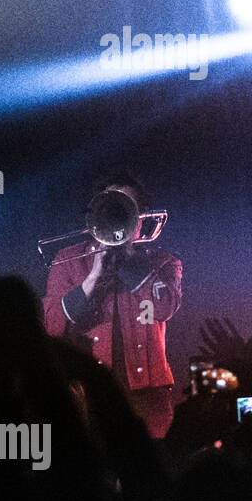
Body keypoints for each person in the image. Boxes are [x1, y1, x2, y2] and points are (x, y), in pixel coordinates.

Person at [42, 173, 181, 438]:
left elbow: (164, 308)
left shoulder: (163, 261)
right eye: (112, 209)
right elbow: (53, 325)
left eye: (126, 209)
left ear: (141, 217)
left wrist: (130, 261)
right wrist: (92, 278)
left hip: (148, 393)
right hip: (88, 392)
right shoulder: (68, 259)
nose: (118, 217)